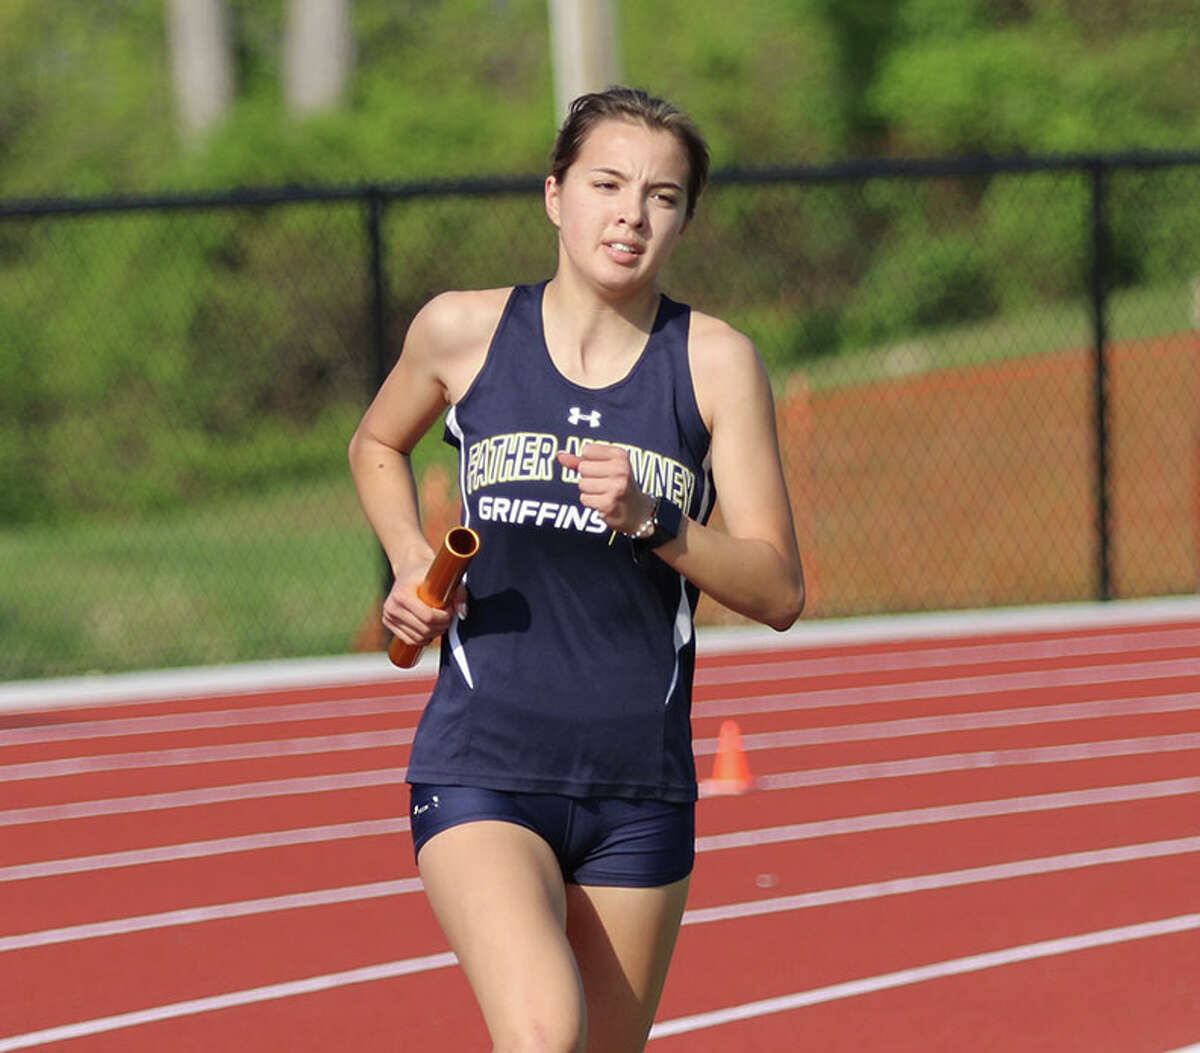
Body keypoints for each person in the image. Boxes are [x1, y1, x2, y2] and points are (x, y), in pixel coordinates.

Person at [348, 85, 804, 1053]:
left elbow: (778, 590)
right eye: (607, 183)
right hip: (484, 768)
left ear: (683, 219)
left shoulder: (716, 364)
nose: (631, 214)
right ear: (556, 195)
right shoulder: (463, 333)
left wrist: (656, 520)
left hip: (639, 788)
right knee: (546, 1032)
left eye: (662, 195)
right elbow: (375, 444)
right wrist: (408, 562)